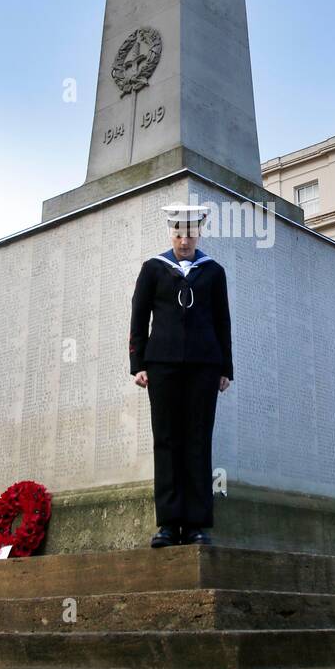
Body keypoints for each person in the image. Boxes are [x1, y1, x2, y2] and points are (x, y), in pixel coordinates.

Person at [129, 204, 233, 548]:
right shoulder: (153, 269)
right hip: (162, 366)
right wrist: (138, 364)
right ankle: (169, 524)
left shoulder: (213, 271)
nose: (184, 240)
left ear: (198, 233)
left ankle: (197, 524)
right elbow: (139, 317)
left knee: (198, 441)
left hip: (205, 367)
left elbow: (222, 321)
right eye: (178, 233)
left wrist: (225, 368)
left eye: (190, 233)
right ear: (170, 234)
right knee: (167, 440)